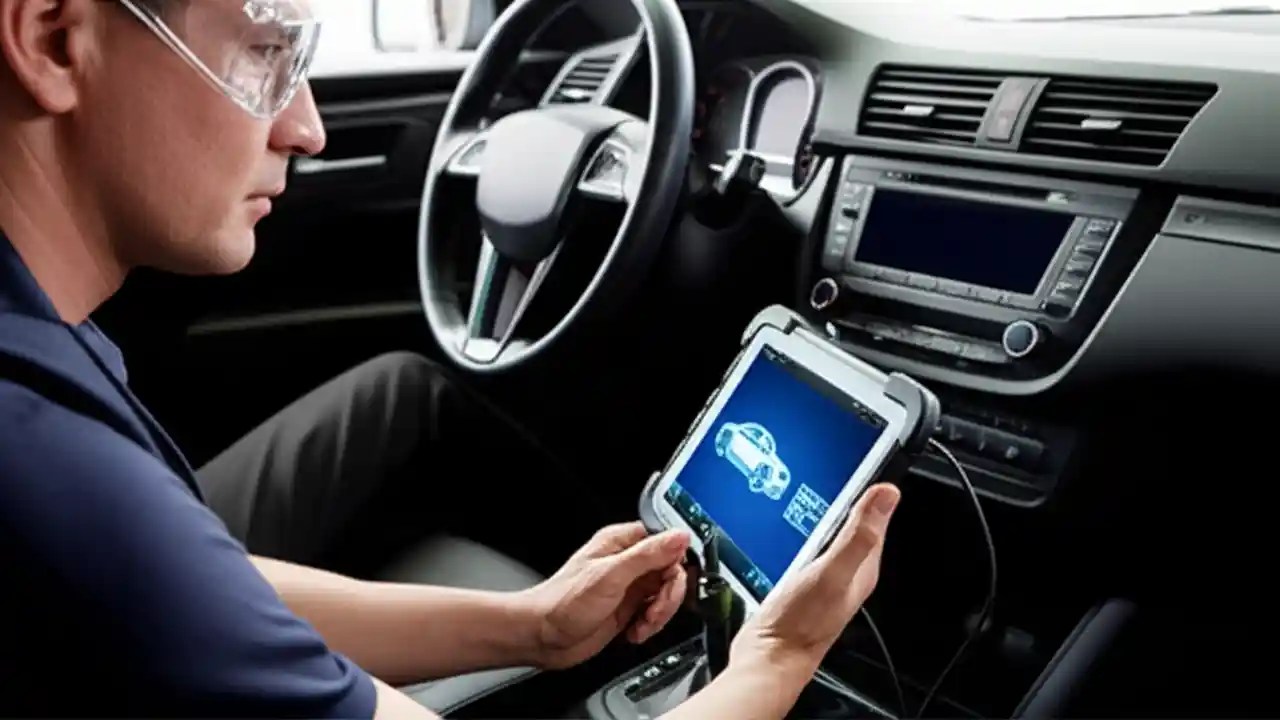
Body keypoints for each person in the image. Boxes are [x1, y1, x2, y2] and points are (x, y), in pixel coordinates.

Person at [0, 0, 902, 717]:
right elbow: (139, 566)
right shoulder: (49, 472)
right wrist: (776, 661)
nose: (307, 128)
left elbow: (194, 583)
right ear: (54, 40)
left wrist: (536, 627)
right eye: (265, 55)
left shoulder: (45, 343)